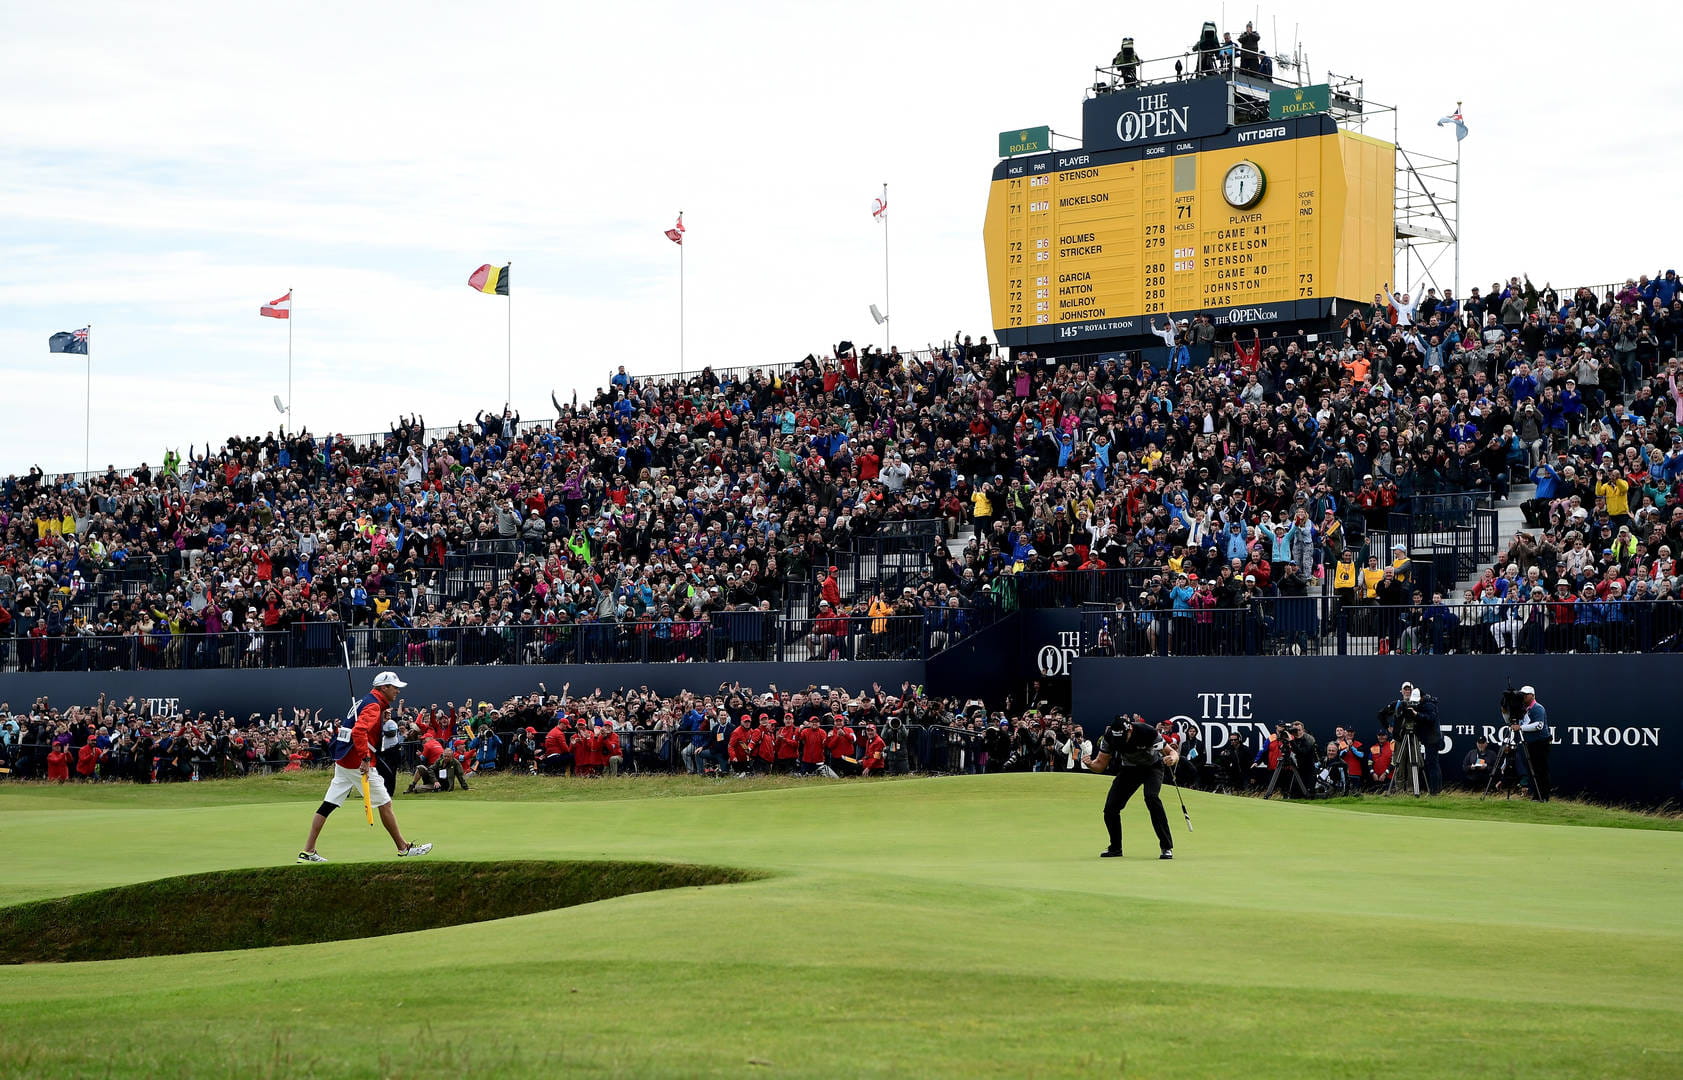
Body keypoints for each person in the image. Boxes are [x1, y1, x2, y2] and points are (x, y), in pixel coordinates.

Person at [299, 671, 431, 863]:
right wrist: (365, 759)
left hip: (344, 760)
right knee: (385, 803)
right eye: (394, 687)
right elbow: (359, 731)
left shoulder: (366, 701)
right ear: (383, 688)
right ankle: (404, 848)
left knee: (328, 804)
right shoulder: (373, 705)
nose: (398, 691)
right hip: (356, 763)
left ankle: (308, 851)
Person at [1081, 714, 1177, 860]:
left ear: (1130, 729)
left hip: (1152, 767)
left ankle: (1166, 847)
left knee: (1151, 797)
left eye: (1124, 737)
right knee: (1110, 808)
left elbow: (1171, 752)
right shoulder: (1109, 737)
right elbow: (1100, 766)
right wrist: (1090, 765)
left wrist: (1172, 759)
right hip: (1129, 770)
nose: (1121, 741)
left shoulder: (1147, 731)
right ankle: (1115, 848)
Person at [1510, 685, 1552, 801]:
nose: (1523, 697)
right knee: (1533, 769)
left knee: (1541, 770)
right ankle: (1537, 795)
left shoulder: (1538, 708)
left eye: (1525, 695)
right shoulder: (1525, 709)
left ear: (1532, 696)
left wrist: (1521, 727)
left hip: (1541, 743)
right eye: (1522, 695)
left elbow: (1539, 725)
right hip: (1531, 743)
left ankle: (1544, 796)